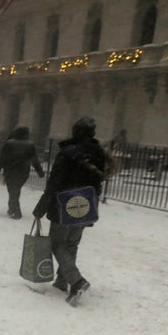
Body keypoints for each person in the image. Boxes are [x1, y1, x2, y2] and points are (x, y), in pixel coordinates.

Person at [32, 117, 107, 306]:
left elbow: (55, 181)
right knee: (72, 243)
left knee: (58, 244)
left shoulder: (68, 153)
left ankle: (76, 281)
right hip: (86, 203)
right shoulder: (98, 153)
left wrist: (42, 205)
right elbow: (99, 181)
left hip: (64, 203)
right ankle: (61, 280)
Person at [0, 126, 44, 219]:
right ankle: (12, 208)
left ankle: (17, 211)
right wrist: (40, 172)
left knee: (12, 190)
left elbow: (2, 159)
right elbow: (35, 160)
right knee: (15, 190)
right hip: (23, 172)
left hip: (10, 171)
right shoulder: (30, 145)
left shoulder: (9, 143)